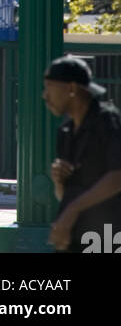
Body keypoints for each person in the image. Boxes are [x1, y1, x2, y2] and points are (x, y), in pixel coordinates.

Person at [44, 55, 121, 252]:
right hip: (74, 237)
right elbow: (64, 195)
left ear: (71, 88)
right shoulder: (65, 132)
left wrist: (72, 210)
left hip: (105, 238)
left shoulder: (107, 122)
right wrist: (59, 182)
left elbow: (118, 176)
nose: (45, 96)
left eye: (50, 87)